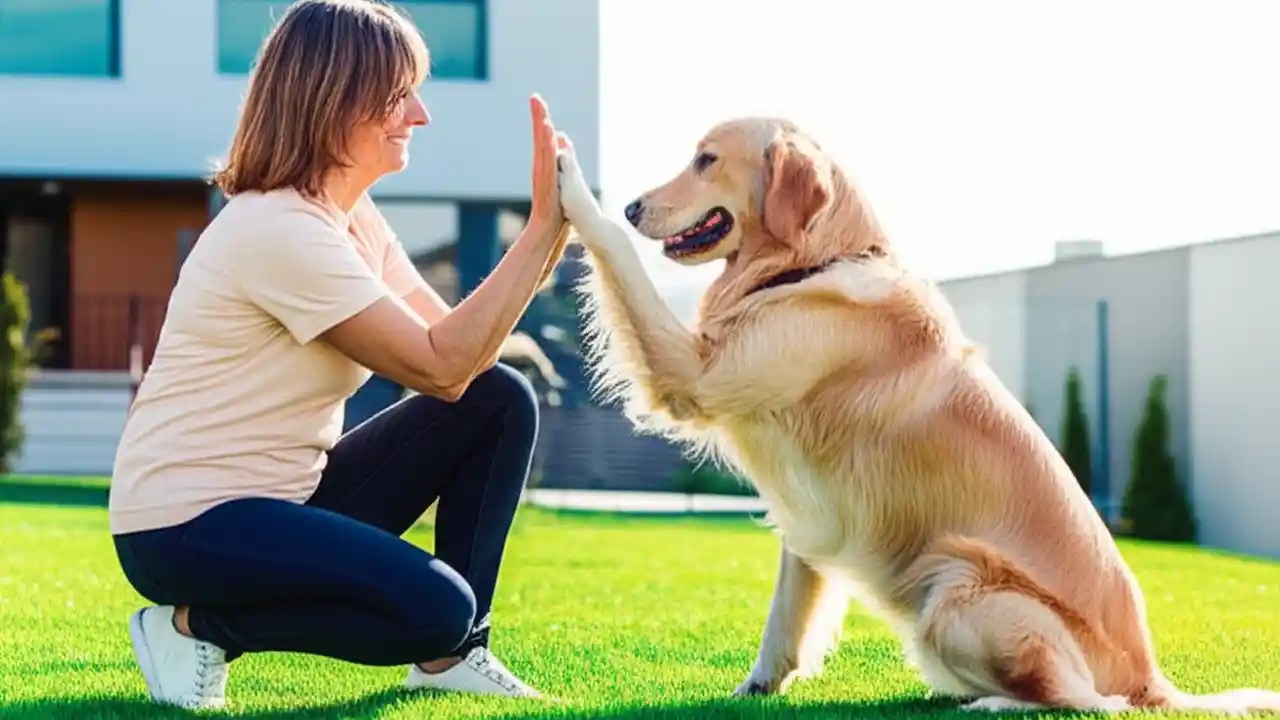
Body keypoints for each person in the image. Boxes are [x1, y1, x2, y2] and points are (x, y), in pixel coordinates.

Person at [107, 0, 573, 710]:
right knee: (433, 608)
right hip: (186, 525)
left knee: (498, 397)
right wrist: (541, 232)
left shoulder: (350, 219)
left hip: (290, 497)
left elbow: (459, 354)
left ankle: (454, 658)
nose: (419, 115)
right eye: (398, 96)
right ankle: (195, 626)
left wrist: (550, 240)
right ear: (333, 99)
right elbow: (438, 366)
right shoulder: (280, 230)